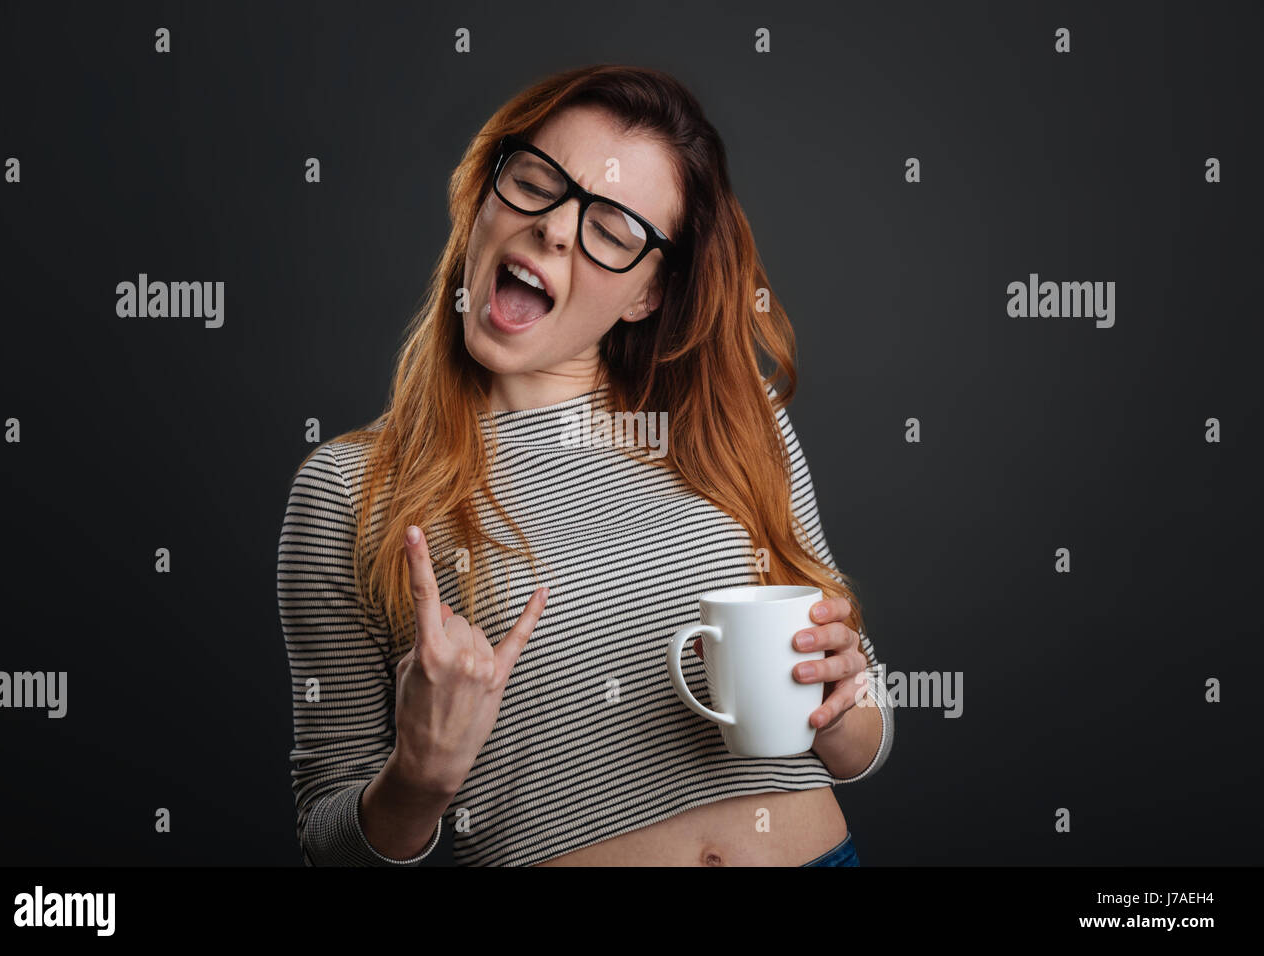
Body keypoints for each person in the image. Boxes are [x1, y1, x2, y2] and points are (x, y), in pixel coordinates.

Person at [276, 64, 893, 867]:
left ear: (645, 293)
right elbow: (330, 842)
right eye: (537, 183)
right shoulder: (348, 491)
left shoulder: (736, 425)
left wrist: (846, 708)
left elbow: (860, 733)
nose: (557, 231)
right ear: (484, 198)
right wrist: (418, 781)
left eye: (613, 230)